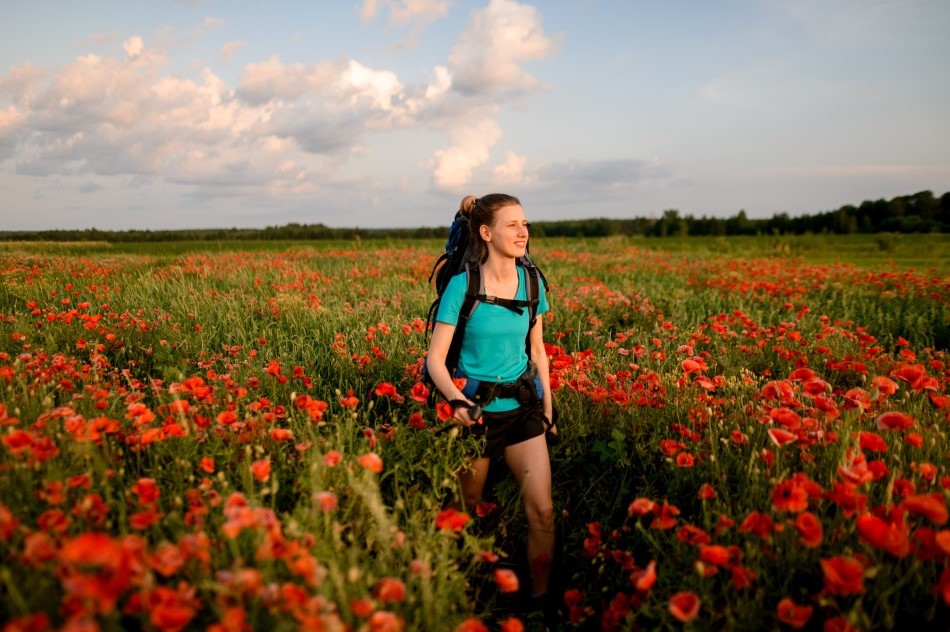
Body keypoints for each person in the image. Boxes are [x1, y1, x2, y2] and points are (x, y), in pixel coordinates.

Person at [426, 193, 558, 618]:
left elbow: (538, 354)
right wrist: (458, 402)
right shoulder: (463, 286)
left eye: (526, 224)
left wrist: (548, 410)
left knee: (543, 512)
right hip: (477, 413)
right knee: (467, 508)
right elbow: (435, 360)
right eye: (512, 225)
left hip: (522, 410)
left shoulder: (533, 283)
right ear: (486, 233)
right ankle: (464, 591)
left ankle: (538, 602)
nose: (523, 233)